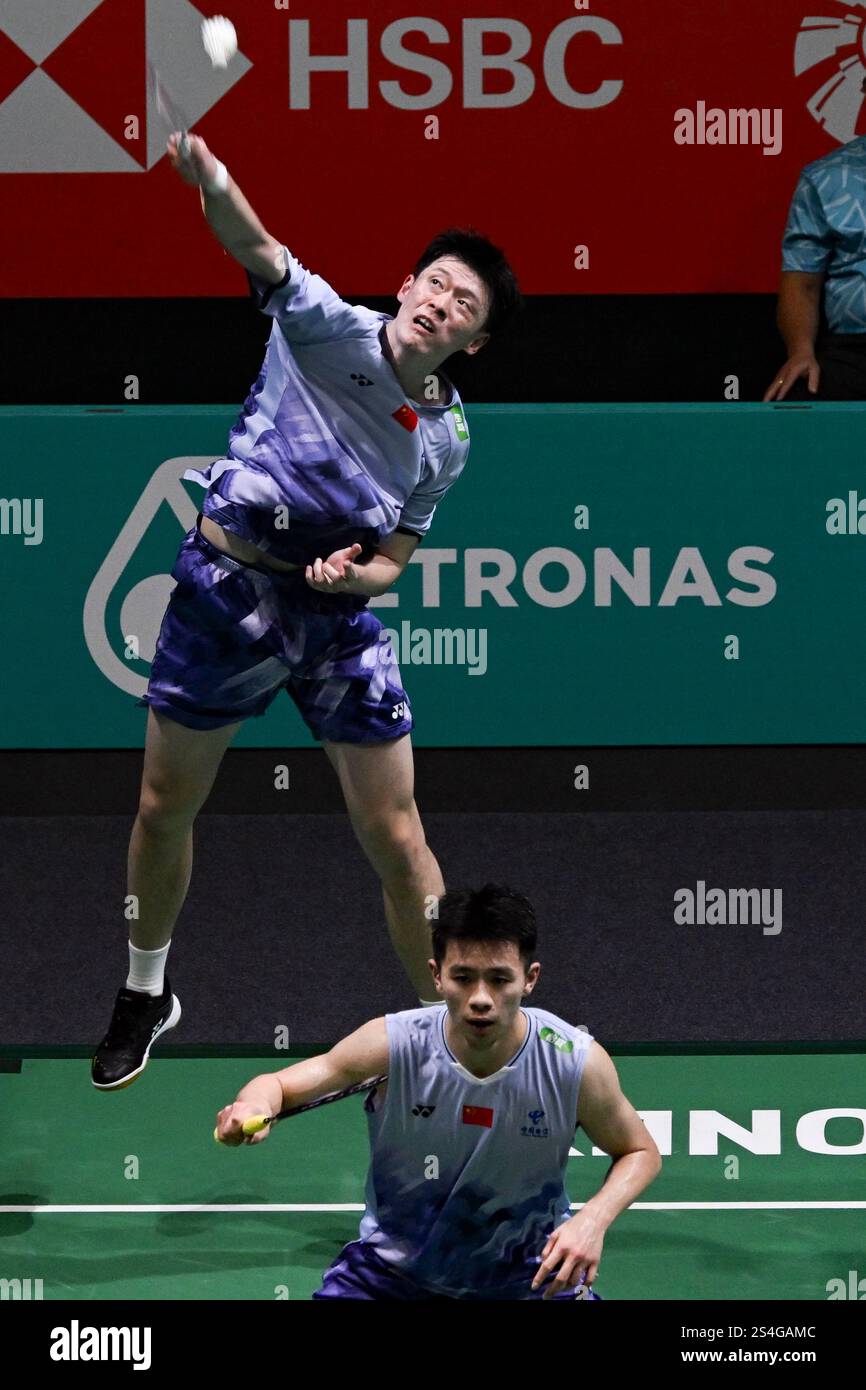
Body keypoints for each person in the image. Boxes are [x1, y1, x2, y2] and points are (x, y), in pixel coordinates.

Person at [91, 133, 522, 1091]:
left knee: (397, 833)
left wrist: (356, 579)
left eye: (465, 307)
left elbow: (396, 563)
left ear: (473, 341)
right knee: (166, 807)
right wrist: (213, 178)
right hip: (225, 593)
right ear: (407, 286)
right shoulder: (329, 325)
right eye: (436, 285)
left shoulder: (448, 438)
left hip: (332, 622)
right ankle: (146, 988)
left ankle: (449, 1045)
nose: (440, 305)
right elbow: (256, 246)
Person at [215, 884, 662, 1301]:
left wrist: (592, 1222)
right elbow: (278, 1085)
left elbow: (640, 1150)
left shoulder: (572, 1061)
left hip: (530, 1275)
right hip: (392, 1277)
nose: (481, 998)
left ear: (530, 978)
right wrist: (255, 1105)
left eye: (499, 979)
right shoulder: (393, 1045)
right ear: (436, 975)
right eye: (463, 977)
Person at [765, 83, 866, 402]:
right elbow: (802, 283)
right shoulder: (826, 178)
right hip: (856, 354)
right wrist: (800, 352)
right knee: (799, 393)